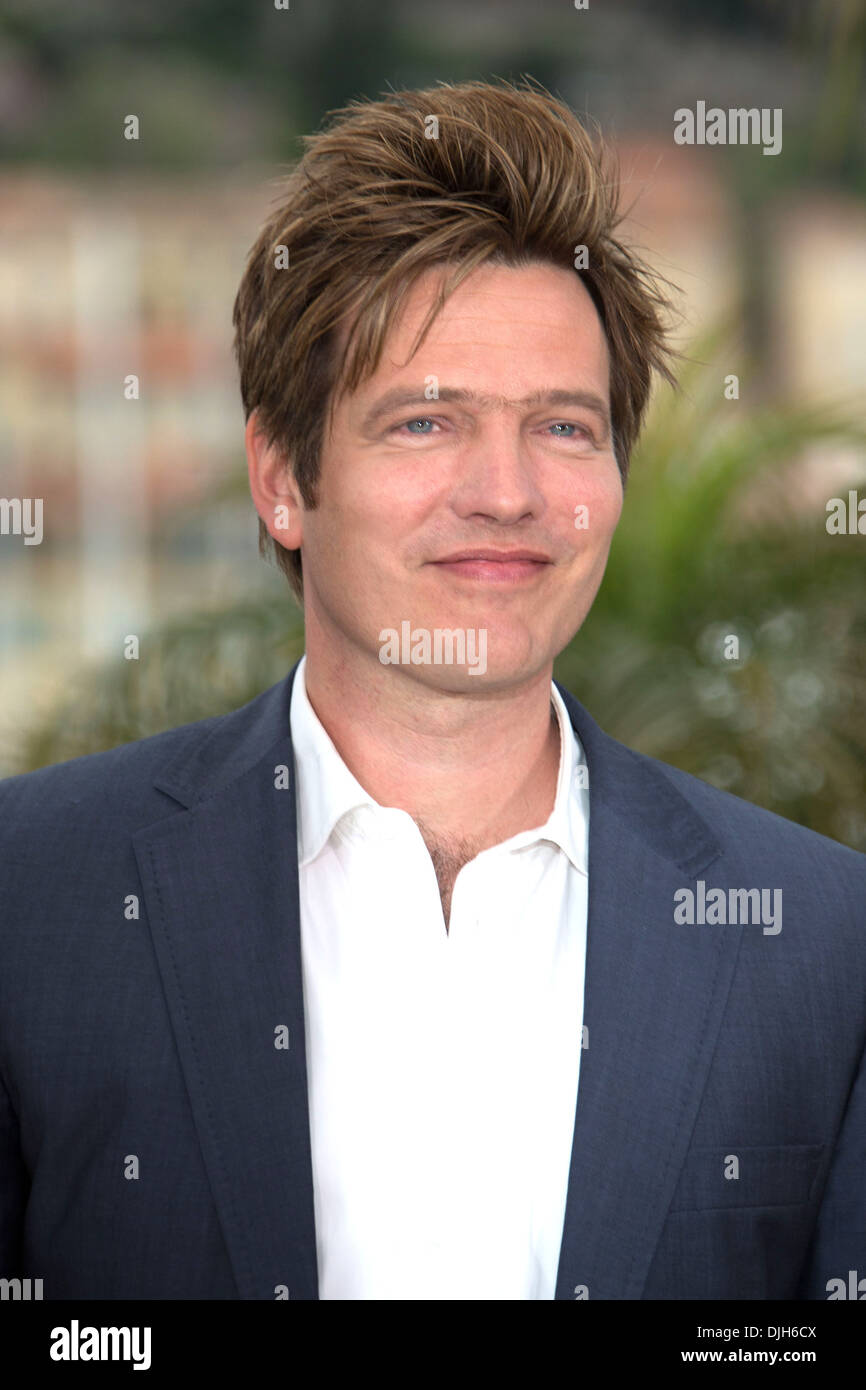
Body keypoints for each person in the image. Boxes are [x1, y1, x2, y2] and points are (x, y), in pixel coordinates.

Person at [1, 79, 864, 1301]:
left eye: (562, 428)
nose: (504, 492)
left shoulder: (824, 940)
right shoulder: (33, 899)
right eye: (423, 422)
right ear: (281, 477)